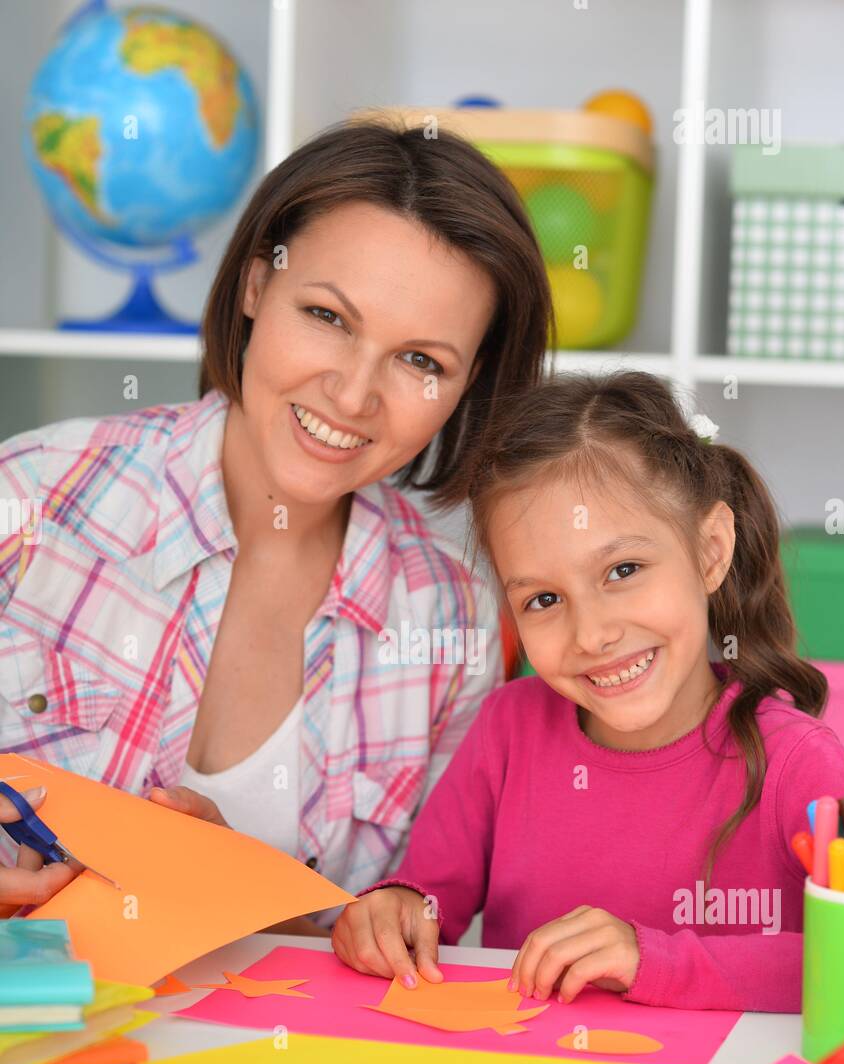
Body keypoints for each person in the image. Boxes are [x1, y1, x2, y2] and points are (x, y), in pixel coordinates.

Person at [0, 119, 552, 925]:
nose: (354, 394)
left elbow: (401, 932)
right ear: (257, 286)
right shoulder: (34, 497)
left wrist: (243, 892)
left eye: (420, 361)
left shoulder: (449, 616)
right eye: (328, 316)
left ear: (467, 388)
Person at [331, 371, 844, 1010]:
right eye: (544, 599)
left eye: (623, 570)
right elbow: (427, 898)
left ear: (710, 551)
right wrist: (392, 909)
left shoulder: (797, 762)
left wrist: (653, 960)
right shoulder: (508, 728)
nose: (592, 634)